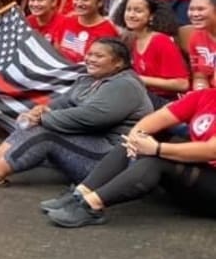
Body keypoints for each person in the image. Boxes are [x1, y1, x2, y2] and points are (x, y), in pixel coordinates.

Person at [0, 38, 152, 186]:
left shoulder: (125, 85)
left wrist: (45, 118)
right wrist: (42, 109)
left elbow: (92, 117)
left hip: (112, 159)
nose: (90, 59)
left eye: (99, 56)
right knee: (36, 120)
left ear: (118, 63)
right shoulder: (90, 79)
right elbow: (64, 101)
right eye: (90, 54)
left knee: (46, 132)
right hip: (93, 144)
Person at [45, 88, 216, 227]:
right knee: (138, 141)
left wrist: (157, 149)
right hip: (201, 174)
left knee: (155, 160)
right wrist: (136, 137)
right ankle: (81, 193)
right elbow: (159, 118)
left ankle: (92, 206)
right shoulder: (206, 96)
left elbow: (212, 150)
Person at [111, 0, 189, 108]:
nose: (131, 15)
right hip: (141, 95)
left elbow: (182, 84)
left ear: (151, 16)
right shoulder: (130, 39)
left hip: (166, 102)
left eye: (138, 11)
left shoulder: (161, 41)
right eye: (129, 10)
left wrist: (137, 79)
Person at [48, 0, 119, 63]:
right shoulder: (66, 21)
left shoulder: (108, 32)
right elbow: (56, 50)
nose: (79, 3)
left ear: (100, 2)